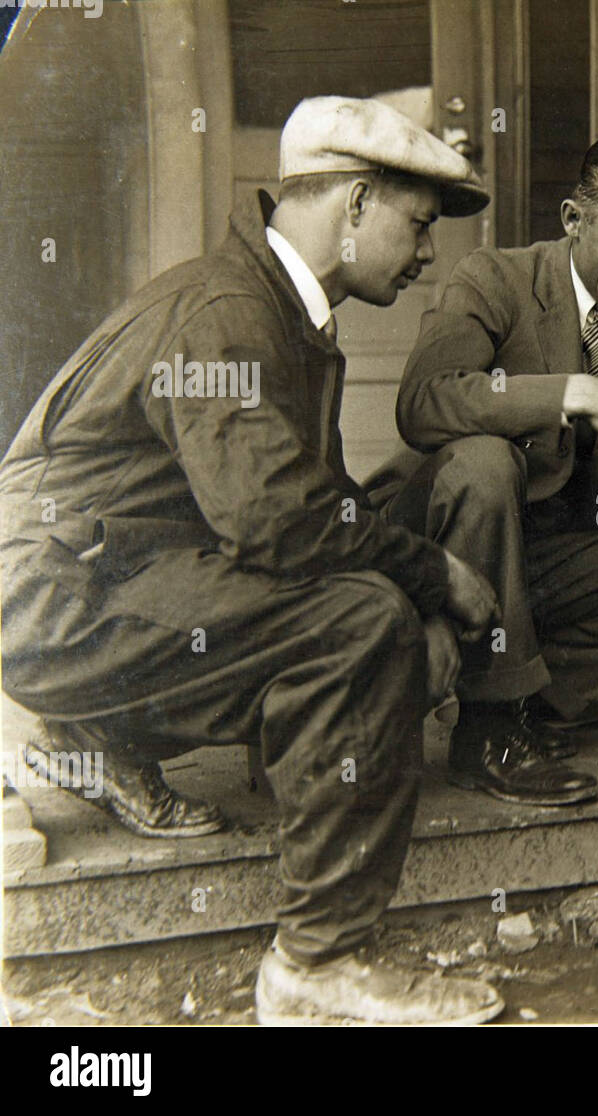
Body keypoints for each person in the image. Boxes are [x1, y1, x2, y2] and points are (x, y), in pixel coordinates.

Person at [0, 95, 505, 1024]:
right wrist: (434, 582)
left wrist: (410, 583)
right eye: (419, 225)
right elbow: (281, 523)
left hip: (100, 576)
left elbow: (313, 506)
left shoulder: (276, 307)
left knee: (363, 604)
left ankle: (99, 739)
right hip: (57, 597)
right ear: (353, 206)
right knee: (360, 627)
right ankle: (320, 962)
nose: (430, 254)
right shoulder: (227, 314)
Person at [368, 128, 598, 808]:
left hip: (551, 562)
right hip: (442, 551)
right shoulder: (493, 278)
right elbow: (424, 402)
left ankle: (540, 691)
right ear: (574, 221)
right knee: (485, 462)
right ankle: (487, 730)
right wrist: (569, 392)